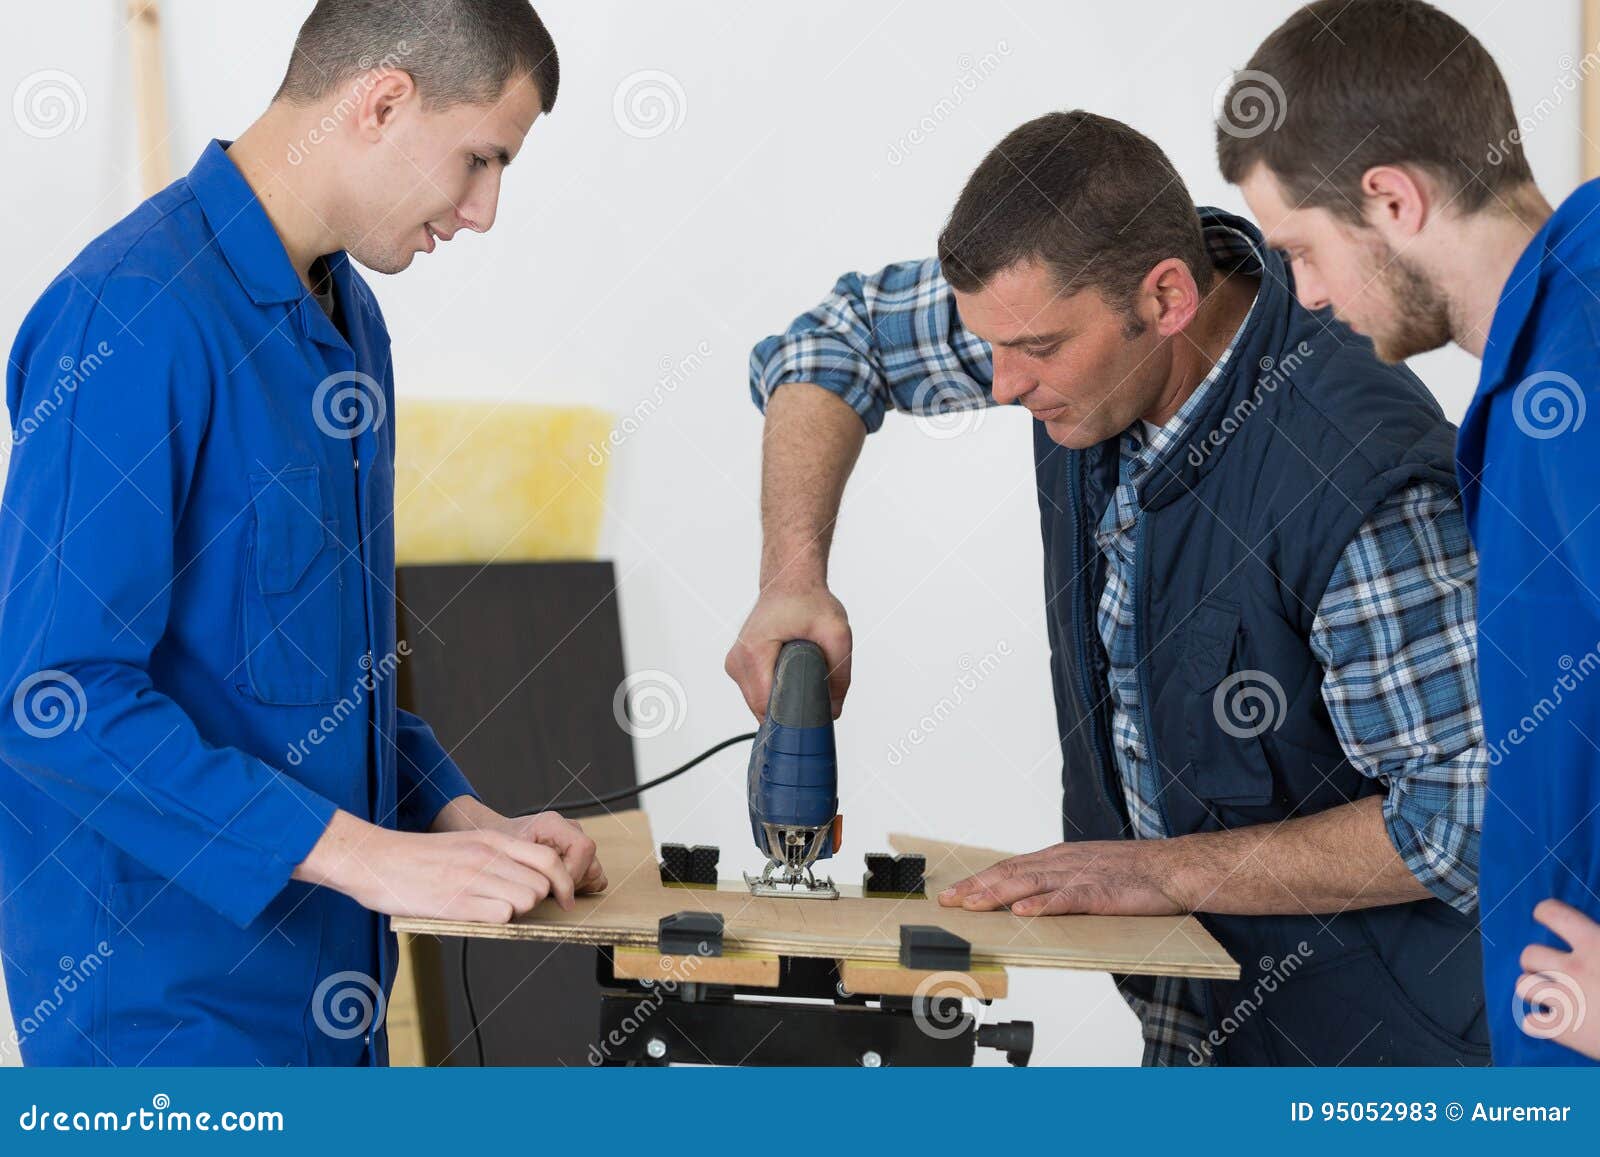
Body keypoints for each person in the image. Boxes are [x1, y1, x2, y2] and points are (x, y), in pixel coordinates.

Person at [729, 109, 1489, 1065]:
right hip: (1191, 1022)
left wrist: (1163, 873)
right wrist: (794, 576)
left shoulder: (1355, 476)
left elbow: (1465, 815)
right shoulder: (1078, 327)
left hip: (1377, 1056)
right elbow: (831, 344)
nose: (1000, 385)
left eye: (1038, 351)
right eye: (989, 345)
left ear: (1168, 297)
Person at [0, 0, 603, 1066]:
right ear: (380, 101)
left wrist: (452, 812)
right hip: (165, 1032)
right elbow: (54, 701)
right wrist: (367, 859)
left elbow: (318, 673)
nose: (484, 209)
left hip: (331, 1010)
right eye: (479, 159)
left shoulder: (347, 318)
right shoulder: (133, 317)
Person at [1218, 0, 1600, 1065]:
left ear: (1390, 198)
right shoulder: (1542, 352)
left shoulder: (1580, 365)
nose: (1299, 291)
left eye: (1299, 246)